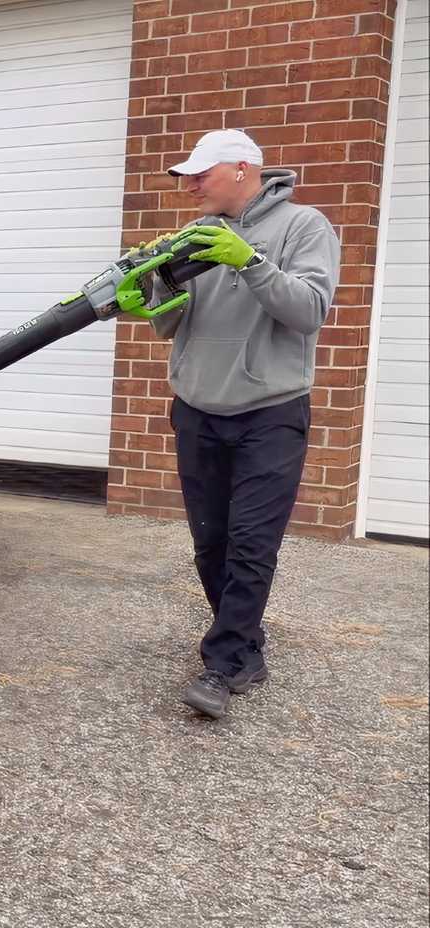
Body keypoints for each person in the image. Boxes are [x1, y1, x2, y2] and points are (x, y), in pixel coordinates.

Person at [136, 129, 340, 719]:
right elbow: (170, 328)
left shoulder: (304, 227)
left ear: (245, 169)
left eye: (203, 172)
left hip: (269, 414)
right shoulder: (194, 238)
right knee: (211, 543)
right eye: (189, 175)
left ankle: (223, 664)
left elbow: (308, 311)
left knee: (251, 543)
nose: (192, 183)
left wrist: (249, 261)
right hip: (198, 409)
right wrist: (156, 288)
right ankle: (246, 645)